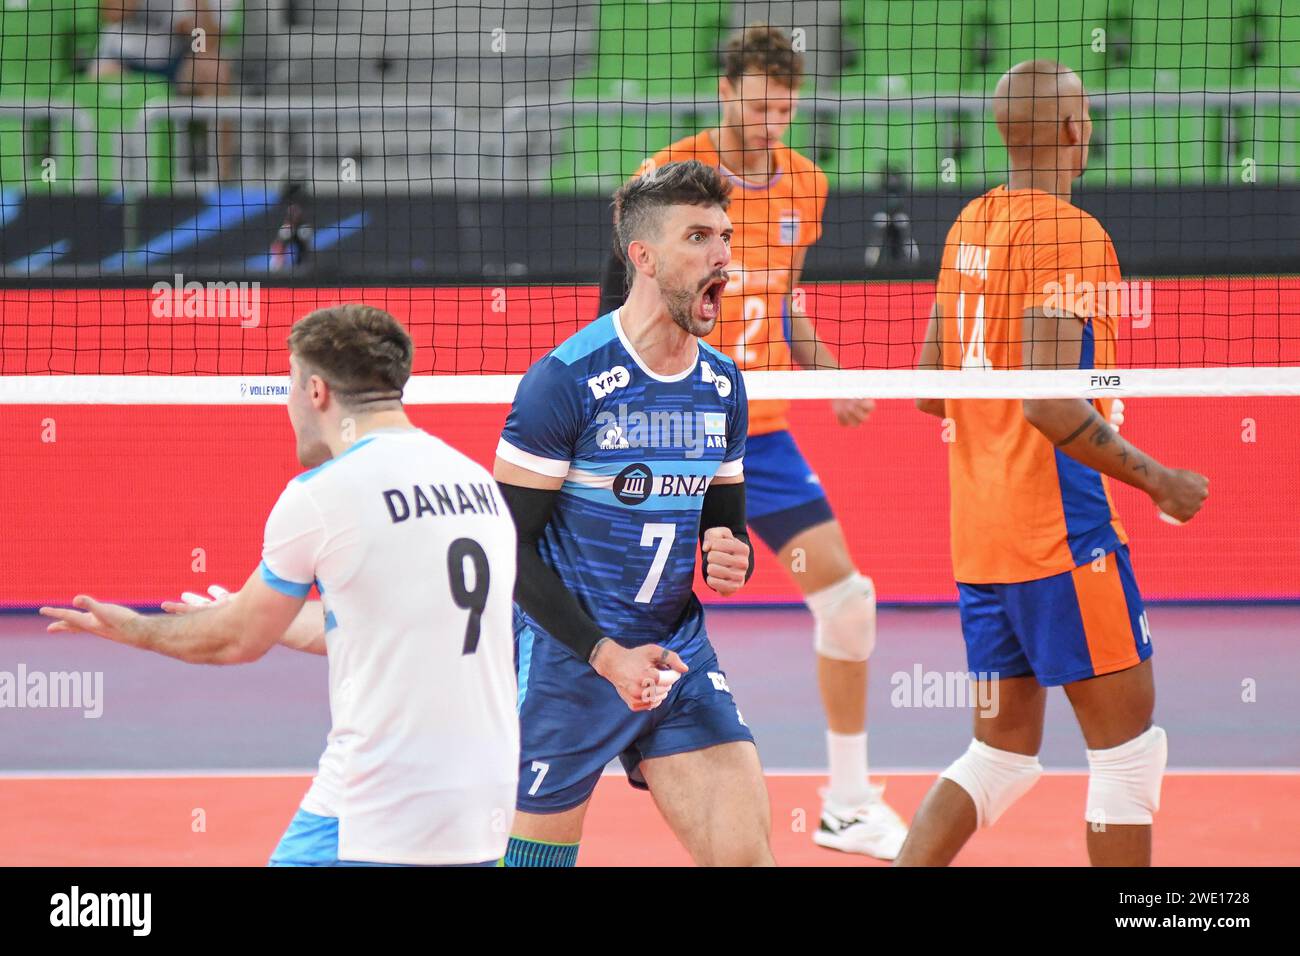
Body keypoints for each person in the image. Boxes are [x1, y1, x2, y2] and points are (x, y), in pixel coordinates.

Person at [42, 304, 520, 867]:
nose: (288, 403)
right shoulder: (477, 484)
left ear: (316, 390)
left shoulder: (323, 493)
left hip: (373, 805)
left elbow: (232, 641)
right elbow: (394, 622)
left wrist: (140, 630)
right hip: (480, 807)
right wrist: (265, 616)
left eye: (288, 386)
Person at [596, 23, 906, 858]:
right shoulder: (667, 180)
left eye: (786, 107)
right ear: (726, 92)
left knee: (849, 601)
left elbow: (787, 300)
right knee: (612, 615)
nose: (774, 120)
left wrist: (828, 369)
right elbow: (621, 309)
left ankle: (846, 802)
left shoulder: (807, 183)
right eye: (759, 104)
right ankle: (567, 757)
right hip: (664, 434)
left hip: (757, 441)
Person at [899, 61, 1210, 867]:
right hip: (1059, 538)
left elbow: (931, 391)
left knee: (1000, 756)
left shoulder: (969, 222)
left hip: (983, 545)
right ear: (1076, 131)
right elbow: (1048, 405)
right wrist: (1160, 481)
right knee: (1128, 755)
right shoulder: (1073, 233)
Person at [496, 159, 774, 867]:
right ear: (642, 257)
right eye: (698, 237)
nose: (722, 256)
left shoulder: (722, 384)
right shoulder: (564, 382)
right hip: (570, 661)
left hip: (676, 655)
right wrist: (603, 655)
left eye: (725, 236)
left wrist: (730, 550)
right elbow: (506, 550)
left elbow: (724, 521)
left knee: (747, 862)